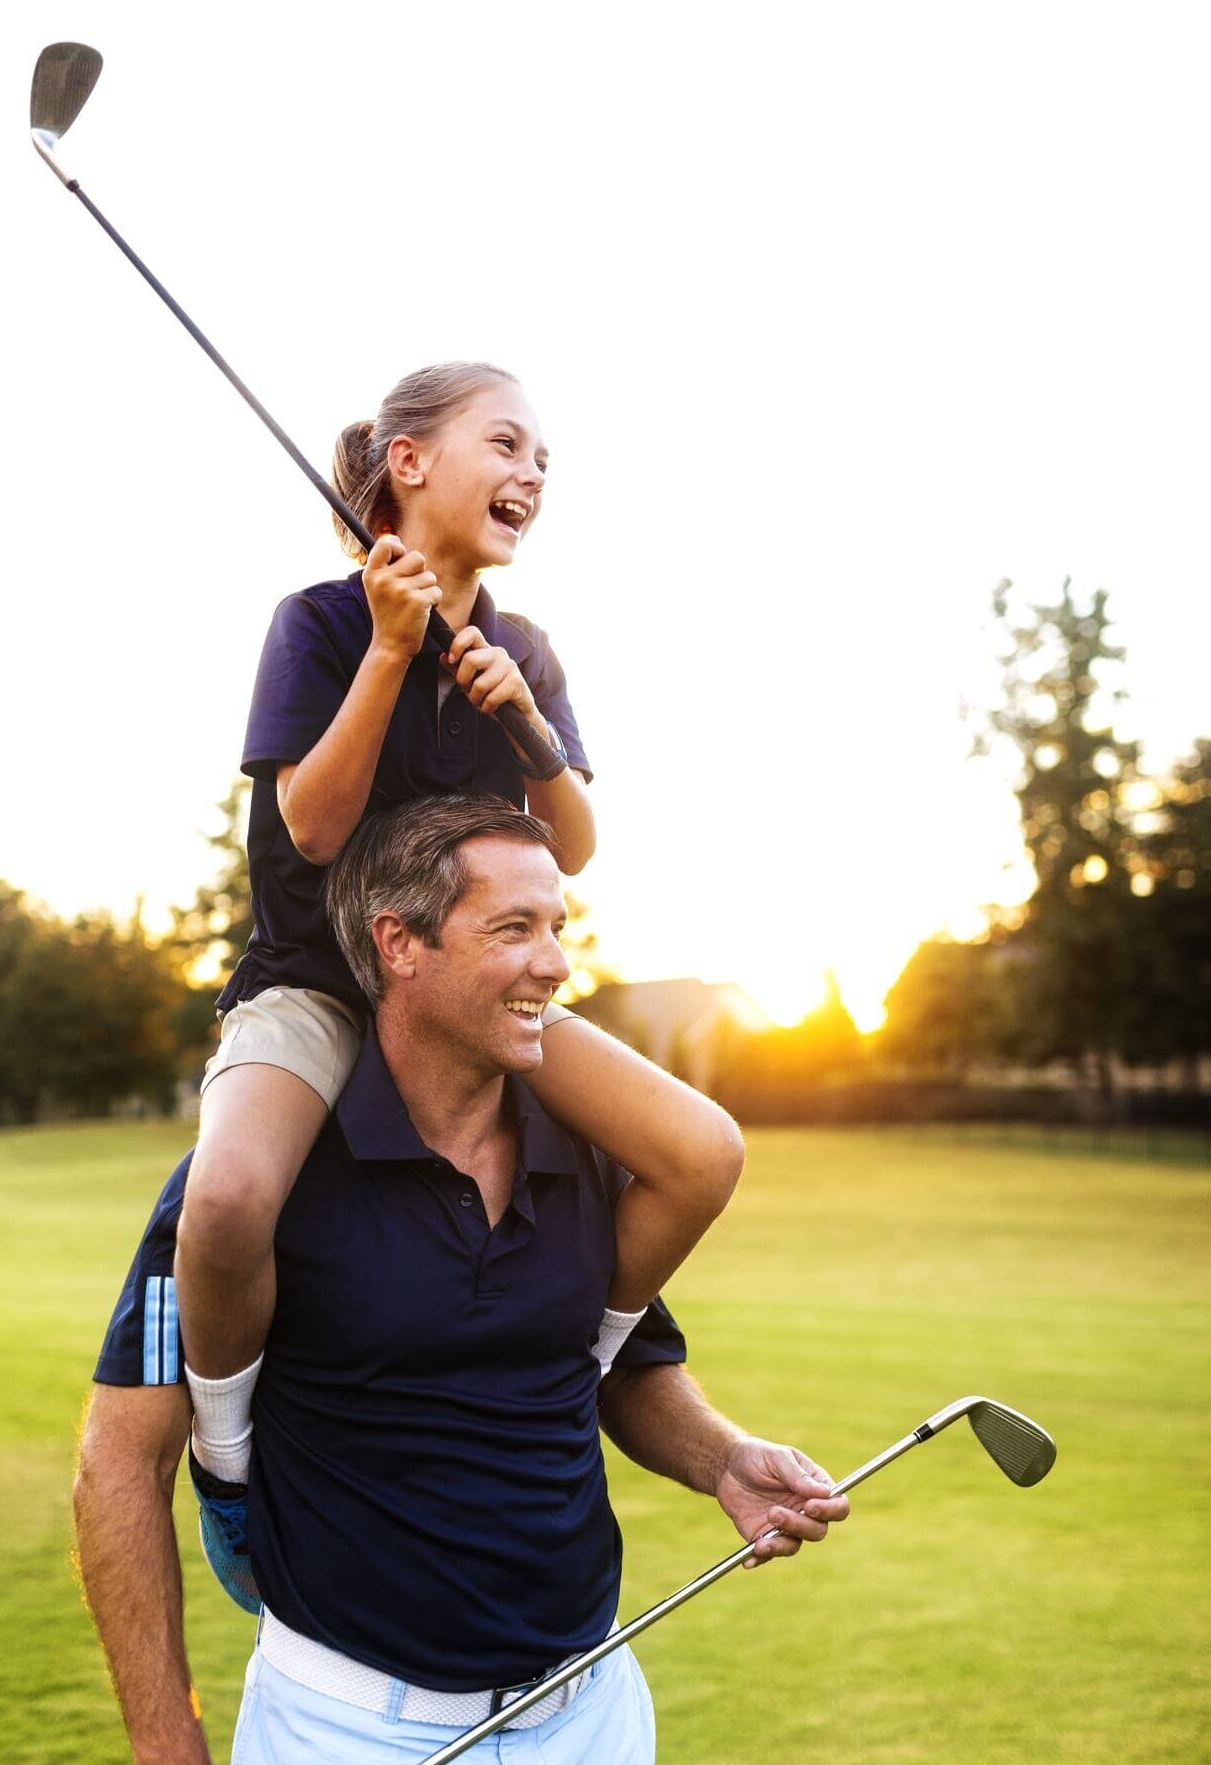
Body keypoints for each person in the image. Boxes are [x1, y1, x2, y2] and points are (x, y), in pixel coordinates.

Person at [75, 796, 849, 1764]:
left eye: (557, 926)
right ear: (399, 943)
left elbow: (614, 1364)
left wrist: (721, 1457)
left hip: (591, 1710)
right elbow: (121, 1461)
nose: (557, 964)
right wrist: (164, 1739)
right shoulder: (254, 1176)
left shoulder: (589, 1152)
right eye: (513, 928)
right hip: (345, 1728)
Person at [175, 361, 745, 1513]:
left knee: (703, 1150)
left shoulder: (523, 646)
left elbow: (572, 844)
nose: (531, 473)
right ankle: (227, 1456)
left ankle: (568, 1369)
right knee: (230, 1195)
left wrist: (525, 724)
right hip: (320, 985)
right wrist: (392, 652)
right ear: (409, 463)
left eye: (543, 460)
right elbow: (313, 825)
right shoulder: (321, 623)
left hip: (469, 996)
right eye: (508, 443)